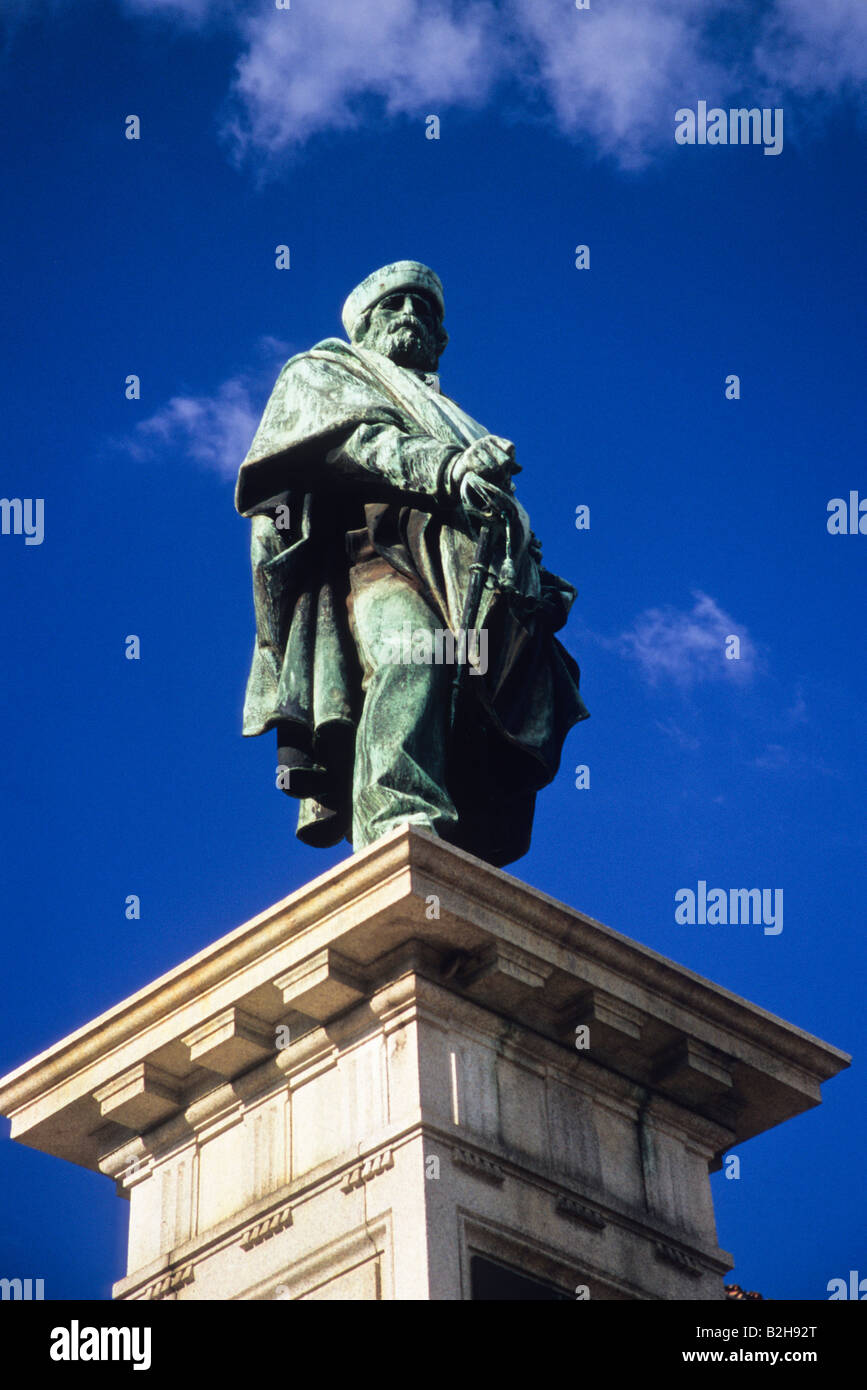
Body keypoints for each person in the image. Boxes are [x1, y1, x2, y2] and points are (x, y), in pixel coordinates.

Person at [235, 261, 588, 867]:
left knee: (464, 706)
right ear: (365, 326)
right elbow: (355, 444)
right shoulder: (323, 371)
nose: (410, 317)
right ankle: (396, 822)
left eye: (423, 310)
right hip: (374, 559)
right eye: (394, 306)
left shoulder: (460, 418)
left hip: (471, 580)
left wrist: (537, 577)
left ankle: (452, 841)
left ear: (441, 339)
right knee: (412, 652)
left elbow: (503, 514)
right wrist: (448, 469)